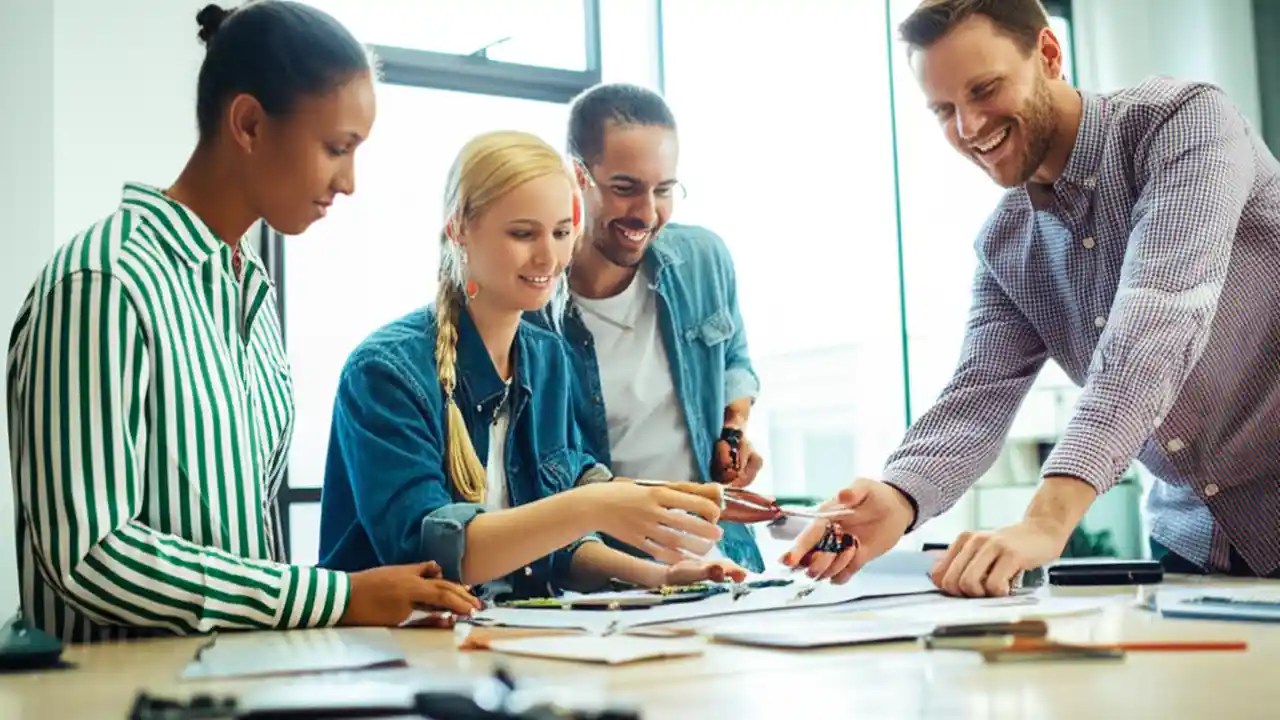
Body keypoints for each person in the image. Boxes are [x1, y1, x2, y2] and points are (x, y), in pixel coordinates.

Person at [5, 1, 480, 643]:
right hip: (113, 697)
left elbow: (238, 558)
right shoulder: (104, 282)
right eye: (337, 148)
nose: (350, 182)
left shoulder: (246, 290)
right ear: (250, 124)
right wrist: (335, 594)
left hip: (233, 682)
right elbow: (90, 555)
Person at [784, 0, 1280, 593]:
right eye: (944, 109)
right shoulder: (1006, 243)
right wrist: (896, 497)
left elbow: (1156, 324)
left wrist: (1046, 519)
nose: (968, 128)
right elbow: (976, 397)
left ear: (1048, 54)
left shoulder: (1182, 123)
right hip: (1195, 543)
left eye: (984, 89)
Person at [317, 130, 747, 600]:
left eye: (562, 233)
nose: (549, 257)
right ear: (459, 228)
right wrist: (592, 505)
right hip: (396, 650)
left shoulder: (547, 359)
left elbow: (553, 549)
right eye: (523, 234)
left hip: (512, 637)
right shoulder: (385, 372)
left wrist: (660, 577)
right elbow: (432, 556)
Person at [528, 83, 767, 572]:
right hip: (605, 570)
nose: (646, 213)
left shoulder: (704, 260)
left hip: (725, 556)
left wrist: (733, 429)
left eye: (663, 190)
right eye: (625, 188)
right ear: (577, 177)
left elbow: (734, 363)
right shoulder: (532, 307)